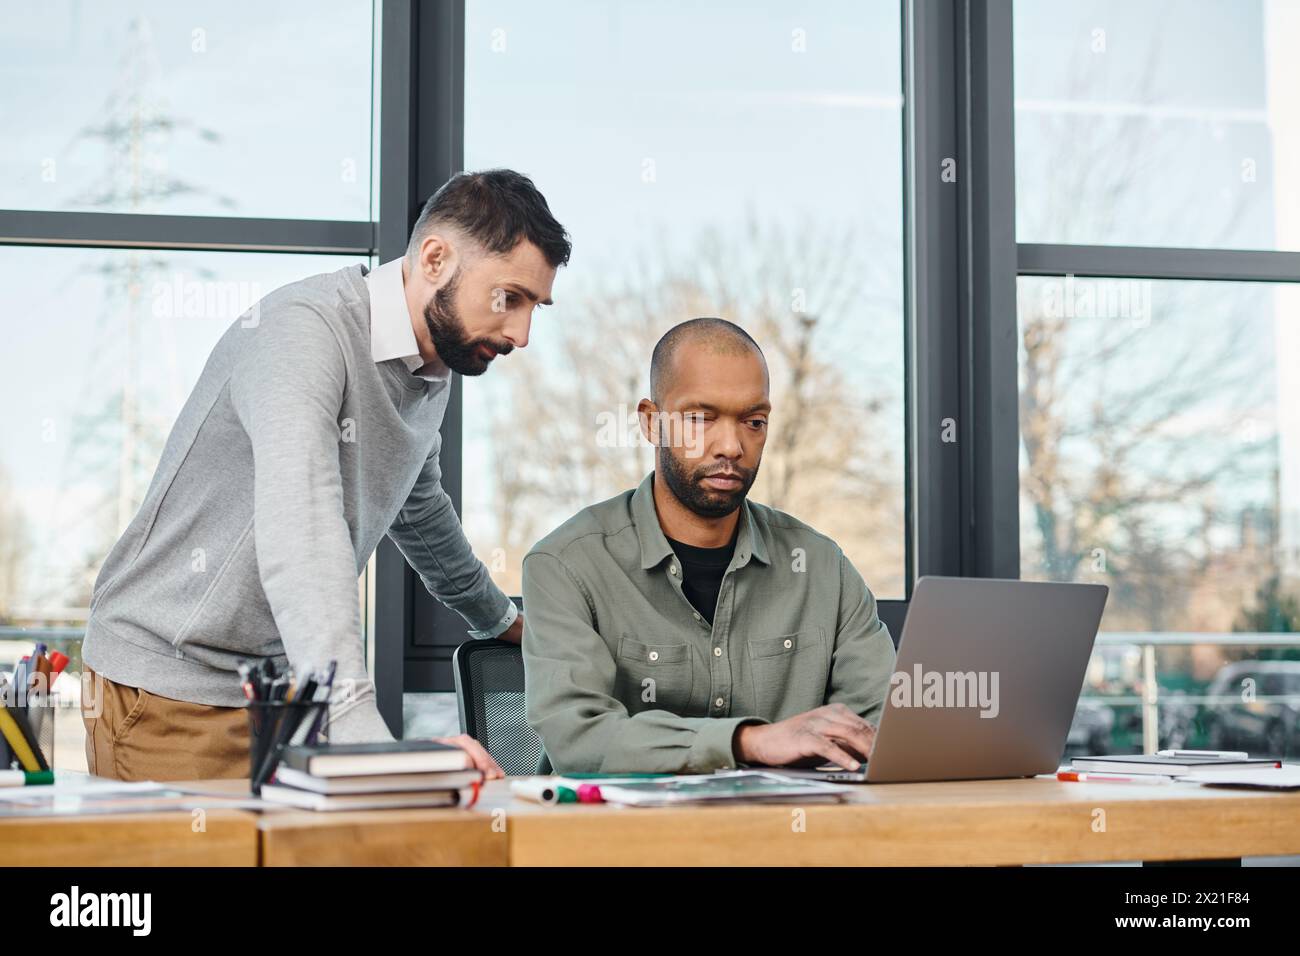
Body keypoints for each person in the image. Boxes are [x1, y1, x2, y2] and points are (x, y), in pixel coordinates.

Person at [81, 169, 570, 781]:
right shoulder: (304, 332)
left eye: (535, 308)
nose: (522, 334)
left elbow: (419, 512)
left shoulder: (432, 368)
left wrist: (500, 619)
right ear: (436, 258)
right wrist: (361, 730)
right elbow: (304, 533)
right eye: (510, 298)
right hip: (171, 689)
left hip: (281, 695)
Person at [522, 317, 896, 774]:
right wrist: (747, 742)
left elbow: (881, 728)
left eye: (753, 421)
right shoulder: (566, 564)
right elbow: (578, 738)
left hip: (786, 837)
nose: (732, 446)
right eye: (700, 419)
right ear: (651, 422)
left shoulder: (822, 567)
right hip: (625, 840)